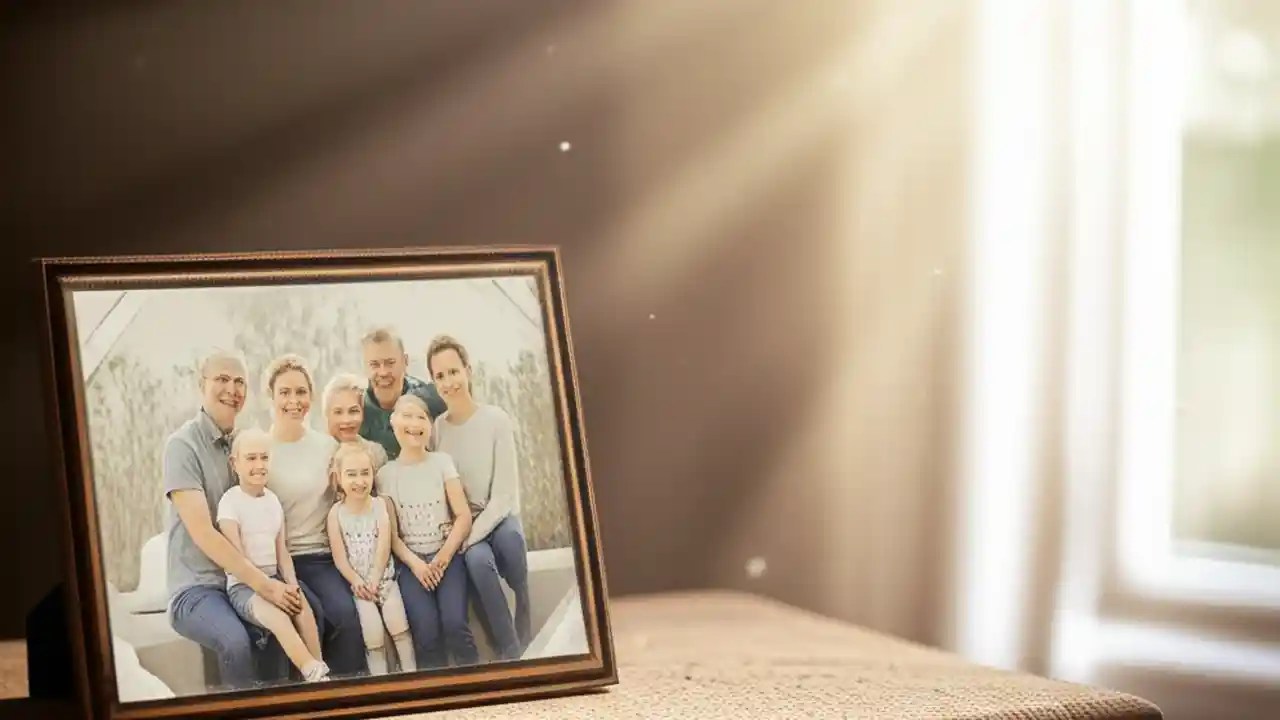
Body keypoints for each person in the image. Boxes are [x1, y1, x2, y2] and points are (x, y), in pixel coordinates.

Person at [163, 349, 302, 691]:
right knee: (236, 641)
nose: (232, 388)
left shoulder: (244, 449)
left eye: (239, 381)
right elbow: (204, 534)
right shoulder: (182, 446)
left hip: (238, 584)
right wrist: (265, 585)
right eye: (221, 379)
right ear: (202, 385)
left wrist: (279, 581)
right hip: (197, 588)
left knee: (284, 623)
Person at [261, 353, 366, 677]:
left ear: (311, 395)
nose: (294, 401)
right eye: (285, 393)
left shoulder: (326, 447)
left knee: (347, 617)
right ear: (271, 397)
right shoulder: (259, 449)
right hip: (280, 562)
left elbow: (349, 492)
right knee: (310, 616)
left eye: (301, 392)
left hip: (322, 557)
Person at [426, 335, 530, 660]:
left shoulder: (496, 419)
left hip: (496, 516)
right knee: (477, 561)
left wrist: (467, 535)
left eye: (453, 372)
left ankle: (524, 603)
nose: (449, 382)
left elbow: (503, 496)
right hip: (464, 522)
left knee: (512, 540)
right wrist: (457, 531)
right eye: (440, 376)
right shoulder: (437, 430)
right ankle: (508, 649)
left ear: (468, 370)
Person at [216, 428, 329, 683]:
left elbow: (282, 553)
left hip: (273, 577)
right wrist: (268, 588)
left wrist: (290, 585)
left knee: (302, 607)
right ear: (235, 463)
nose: (259, 465)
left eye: (264, 458)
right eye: (251, 458)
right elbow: (237, 559)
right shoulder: (230, 502)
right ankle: (309, 668)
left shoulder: (273, 501)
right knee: (278, 617)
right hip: (244, 587)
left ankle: (320, 669)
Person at [377, 394, 479, 668]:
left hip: (447, 558)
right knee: (426, 632)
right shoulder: (385, 475)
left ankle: (478, 683)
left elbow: (463, 516)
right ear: (393, 421)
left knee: (455, 623)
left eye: (421, 417)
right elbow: (392, 535)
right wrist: (418, 566)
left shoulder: (441, 462)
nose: (414, 423)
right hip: (411, 565)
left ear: (430, 425)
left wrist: (442, 559)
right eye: (406, 415)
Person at [326, 442, 415, 675]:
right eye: (351, 475)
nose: (359, 481)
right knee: (372, 634)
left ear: (373, 474)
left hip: (383, 580)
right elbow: (340, 557)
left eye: (365, 473)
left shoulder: (378, 506)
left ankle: (411, 676)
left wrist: (376, 578)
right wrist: (357, 581)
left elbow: (384, 546)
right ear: (339, 478)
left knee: (398, 625)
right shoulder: (336, 514)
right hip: (359, 587)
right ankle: (380, 683)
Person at [359, 327, 446, 461]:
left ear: (405, 361)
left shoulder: (432, 399)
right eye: (374, 364)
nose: (383, 372)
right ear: (365, 366)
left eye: (390, 363)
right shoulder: (356, 410)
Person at [322, 372, 388, 473]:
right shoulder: (318, 452)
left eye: (353, 411)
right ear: (327, 414)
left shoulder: (376, 454)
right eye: (338, 412)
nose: (346, 420)